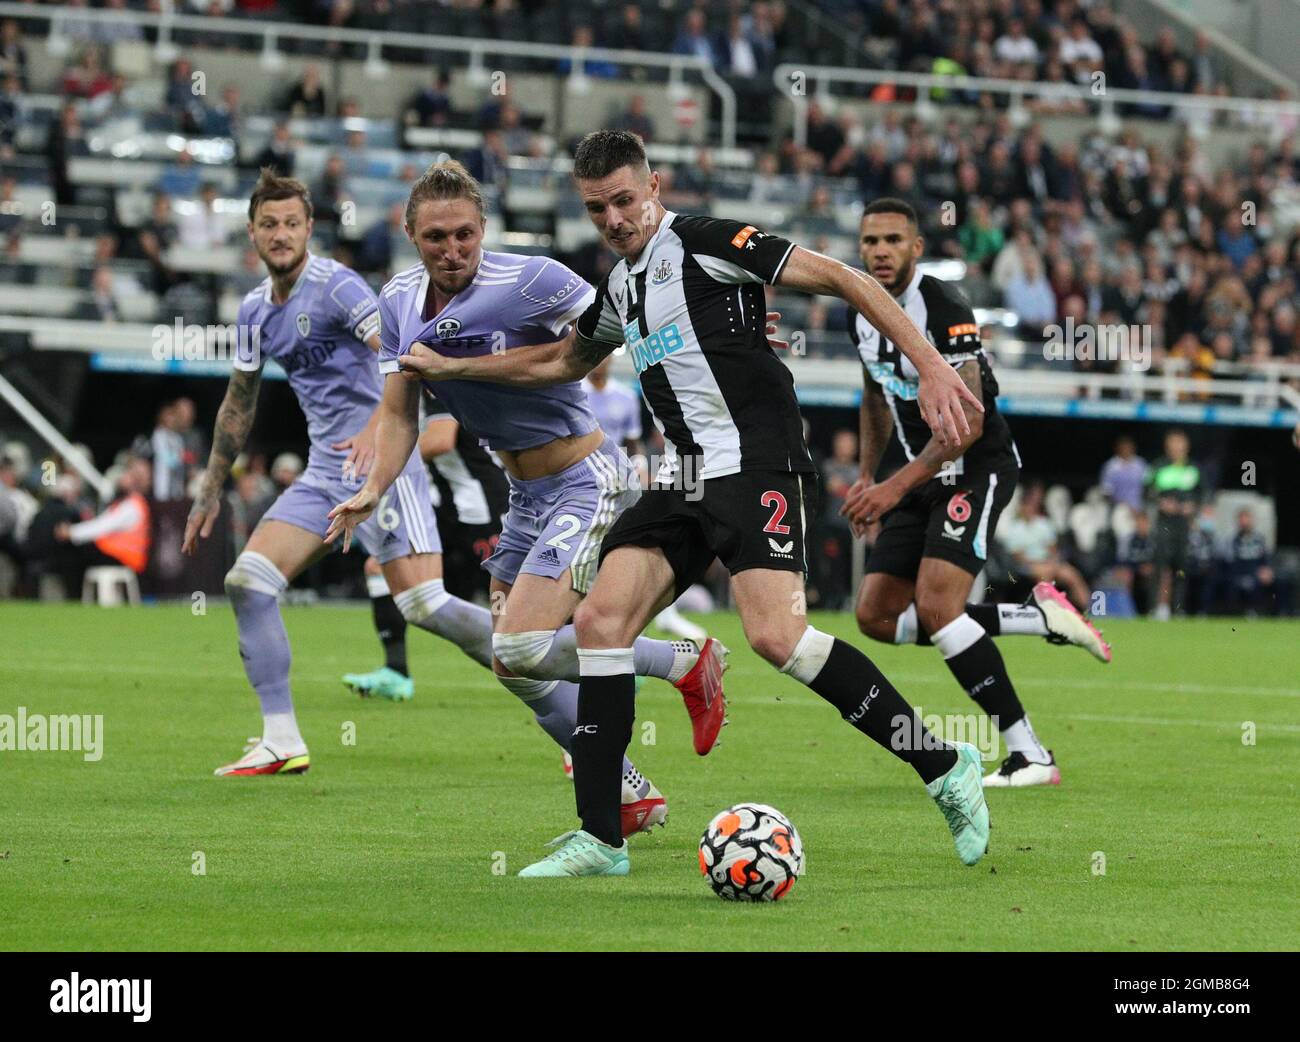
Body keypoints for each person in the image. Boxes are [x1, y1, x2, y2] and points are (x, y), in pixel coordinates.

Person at [382, 132, 993, 876]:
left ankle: (941, 764)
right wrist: (455, 366)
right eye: (596, 207)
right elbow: (562, 359)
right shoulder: (620, 285)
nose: (613, 218)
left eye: (623, 200)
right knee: (602, 622)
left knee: (779, 640)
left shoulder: (705, 241)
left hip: (758, 462)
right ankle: (603, 839)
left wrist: (931, 367)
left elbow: (841, 277)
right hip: (683, 475)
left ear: (655, 187)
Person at [326, 160, 731, 838]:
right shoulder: (397, 301)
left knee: (521, 645)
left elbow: (619, 325)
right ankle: (630, 791)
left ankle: (687, 661)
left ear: (484, 228)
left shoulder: (530, 279)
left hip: (586, 478)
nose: (451, 250)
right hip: (524, 496)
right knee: (511, 664)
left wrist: (723, 335)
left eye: (463, 235)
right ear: (409, 235)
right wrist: (373, 488)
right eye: (435, 239)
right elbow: (400, 414)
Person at [182, 170, 498, 778]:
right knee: (248, 582)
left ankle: (580, 702)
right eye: (269, 224)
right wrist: (210, 487)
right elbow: (238, 402)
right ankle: (280, 739)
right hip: (327, 471)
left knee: (428, 606)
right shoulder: (254, 310)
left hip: (385, 462)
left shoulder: (337, 288)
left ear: (308, 230)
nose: (281, 234)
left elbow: (398, 350)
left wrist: (380, 423)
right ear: (251, 232)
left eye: (292, 223)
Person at [844, 200, 1110, 788]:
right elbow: (874, 396)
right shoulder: (859, 310)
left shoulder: (943, 305)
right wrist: (868, 475)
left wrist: (891, 488)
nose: (880, 251)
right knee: (876, 615)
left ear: (917, 248)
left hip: (976, 467)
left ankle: (1030, 756)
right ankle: (1034, 615)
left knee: (940, 610)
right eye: (869, 242)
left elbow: (964, 423)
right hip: (917, 474)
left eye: (892, 240)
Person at [582, 353, 706, 643]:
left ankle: (663, 613)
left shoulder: (624, 396)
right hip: (585, 480)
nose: (600, 361)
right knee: (597, 547)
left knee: (642, 540)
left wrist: (640, 468)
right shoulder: (575, 393)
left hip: (619, 479)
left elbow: (632, 442)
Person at [55, 455, 152, 579]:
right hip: (117, 557)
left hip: (122, 559)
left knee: (71, 554)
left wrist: (71, 532)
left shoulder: (132, 505)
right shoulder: (125, 502)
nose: (121, 477)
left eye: (127, 473)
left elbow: (102, 526)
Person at [1147, 429, 1200, 619]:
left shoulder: (1193, 468)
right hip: (1164, 523)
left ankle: (1179, 609)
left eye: (1180, 444)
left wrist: (1193, 507)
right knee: (1160, 565)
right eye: (1173, 444)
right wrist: (1161, 503)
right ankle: (1155, 608)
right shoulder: (1159, 466)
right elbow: (1148, 490)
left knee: (1181, 567)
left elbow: (1203, 494)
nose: (1177, 448)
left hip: (1184, 524)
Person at [1099, 434, 1148, 513]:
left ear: (1133, 448)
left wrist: (1141, 507)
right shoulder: (1110, 466)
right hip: (1118, 507)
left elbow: (1147, 487)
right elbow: (1106, 492)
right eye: (1123, 447)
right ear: (1117, 448)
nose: (1126, 450)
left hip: (1139, 506)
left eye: (1128, 447)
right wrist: (1119, 505)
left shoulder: (1141, 464)